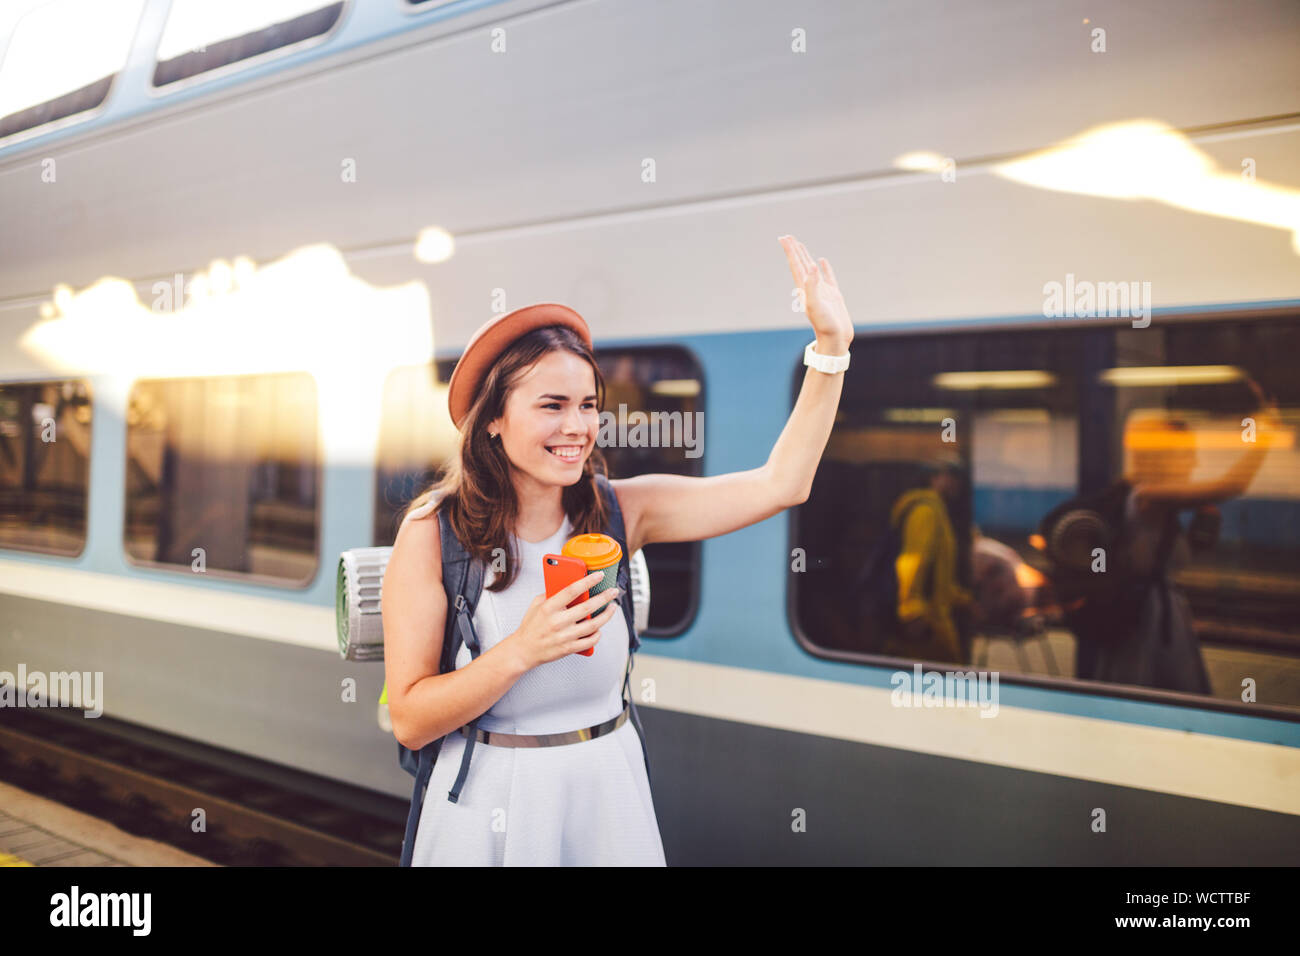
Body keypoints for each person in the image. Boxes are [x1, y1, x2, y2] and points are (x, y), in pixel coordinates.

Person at [381, 234, 855, 865]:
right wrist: (521, 650)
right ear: (493, 419)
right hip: (490, 808)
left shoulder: (620, 510)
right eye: (551, 406)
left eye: (587, 406)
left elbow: (782, 484)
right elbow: (411, 718)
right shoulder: (433, 533)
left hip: (608, 791)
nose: (577, 427)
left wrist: (830, 351)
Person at [1087, 384, 1279, 694]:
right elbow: (1235, 484)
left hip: (1160, 619)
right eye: (1187, 455)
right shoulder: (1146, 496)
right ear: (1164, 459)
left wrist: (1199, 534)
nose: (1194, 464)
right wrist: (1266, 428)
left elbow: (1177, 559)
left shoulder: (1156, 506)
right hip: (1146, 624)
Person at [881, 457, 973, 665]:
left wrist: (965, 601)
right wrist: (911, 611)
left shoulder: (938, 510)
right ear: (934, 478)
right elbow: (911, 562)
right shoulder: (926, 512)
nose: (957, 483)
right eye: (952, 476)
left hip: (937, 617)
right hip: (927, 623)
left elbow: (941, 576)